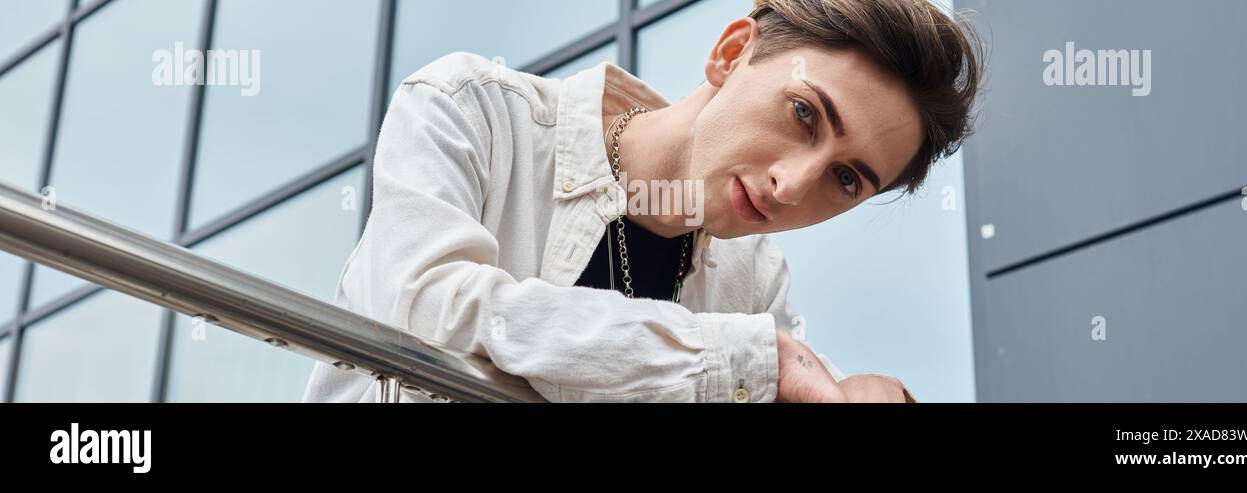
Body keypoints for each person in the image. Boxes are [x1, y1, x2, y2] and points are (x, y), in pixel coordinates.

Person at [302, 0, 981, 403]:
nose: (791, 185)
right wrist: (751, 364)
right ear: (732, 51)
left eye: (847, 179)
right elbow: (431, 311)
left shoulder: (755, 283)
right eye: (805, 114)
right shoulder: (471, 110)